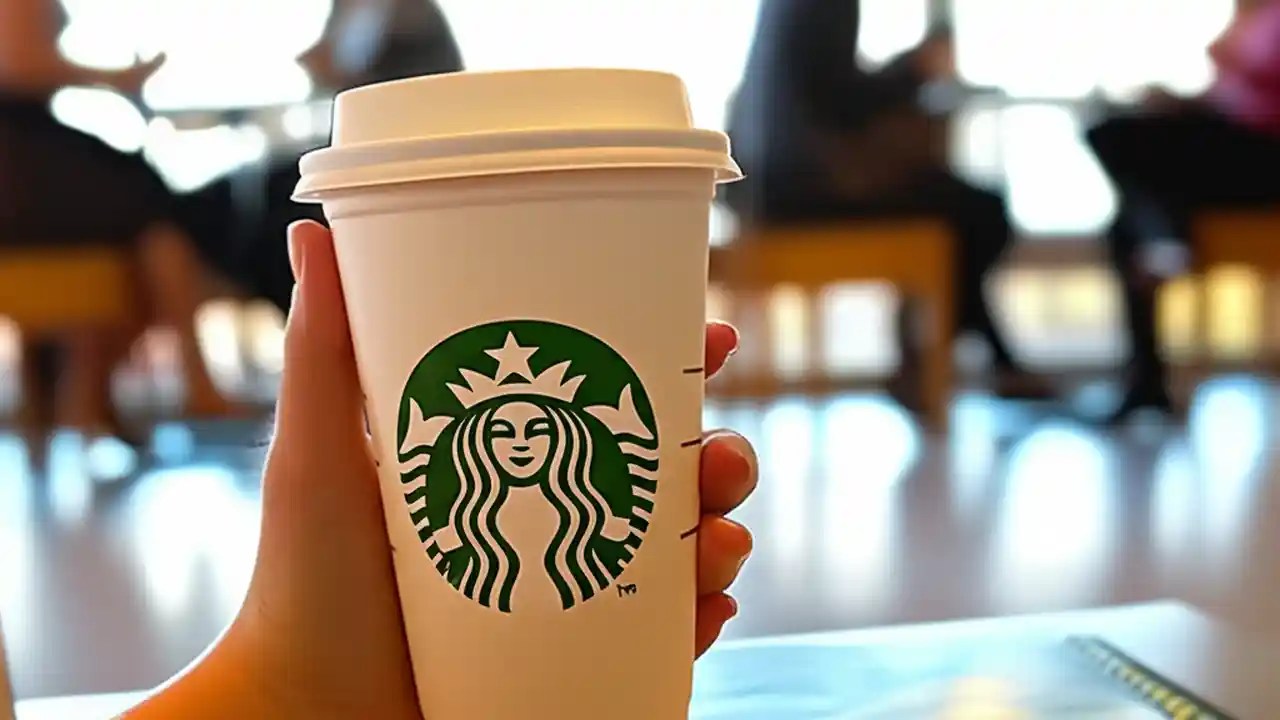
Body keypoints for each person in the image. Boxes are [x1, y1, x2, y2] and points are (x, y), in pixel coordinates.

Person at [122, 221, 758, 718]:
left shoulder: (585, 522)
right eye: (501, 430)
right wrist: (291, 690)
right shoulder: (469, 526)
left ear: (568, 436)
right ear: (473, 441)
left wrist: (290, 697)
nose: (520, 444)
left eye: (537, 428)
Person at [725, 0, 1044, 400]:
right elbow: (841, 99)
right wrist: (914, 68)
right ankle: (934, 357)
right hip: (807, 191)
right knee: (979, 212)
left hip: (768, 188)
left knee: (962, 210)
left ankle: (942, 355)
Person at [0, 0, 231, 442]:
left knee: (142, 209)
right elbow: (17, 61)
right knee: (155, 210)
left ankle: (102, 395)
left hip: (23, 160)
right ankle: (193, 378)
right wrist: (116, 79)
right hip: (17, 160)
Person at [1087, 0, 1280, 422]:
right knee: (1123, 225)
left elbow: (1260, 89)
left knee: (1116, 137)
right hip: (1231, 141)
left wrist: (1236, 61)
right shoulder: (1254, 14)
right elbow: (1230, 97)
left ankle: (1166, 236)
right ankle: (1146, 380)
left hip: (1266, 155)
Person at [210, 0, 464, 313]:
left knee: (281, 197)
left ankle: (312, 313)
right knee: (263, 193)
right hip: (379, 143)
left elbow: (346, 64)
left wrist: (324, 65)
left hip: (405, 147)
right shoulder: (358, 9)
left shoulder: (396, 8)